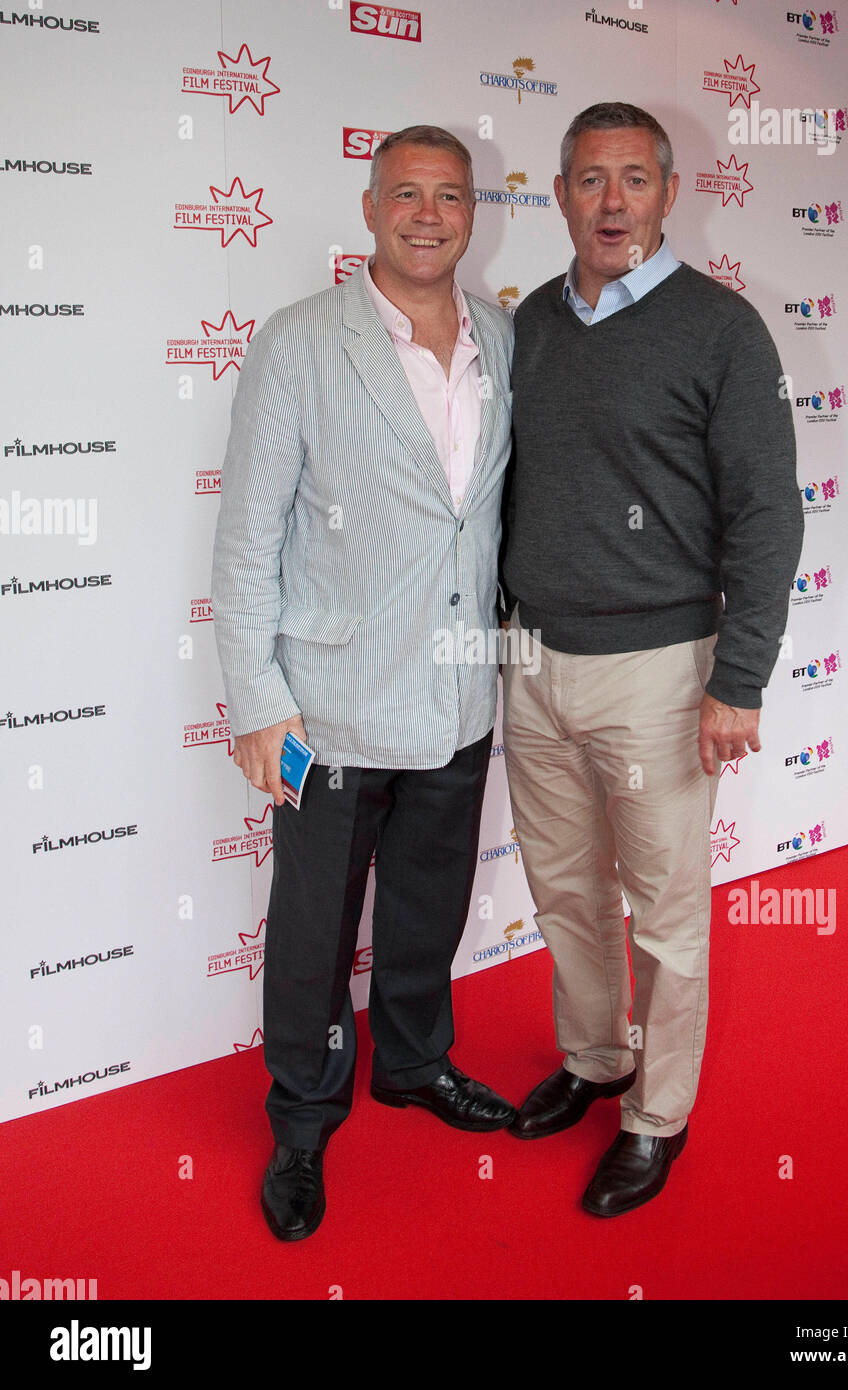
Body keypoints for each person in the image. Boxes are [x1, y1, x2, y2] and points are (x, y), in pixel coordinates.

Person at [212, 126, 517, 1243]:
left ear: (472, 211)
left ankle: (415, 1063)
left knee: (430, 906)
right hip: (328, 705)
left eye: (449, 195)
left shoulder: (501, 336)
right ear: (371, 203)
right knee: (311, 925)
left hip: (457, 696)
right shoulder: (299, 343)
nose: (427, 214)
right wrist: (255, 698)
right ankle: (301, 1112)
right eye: (406, 194)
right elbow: (247, 537)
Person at [501, 103, 803, 1216]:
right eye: (590, 179)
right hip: (534, 663)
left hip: (664, 672)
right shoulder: (529, 322)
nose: (612, 200)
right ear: (562, 195)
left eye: (634, 178)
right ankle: (595, 1060)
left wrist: (741, 675)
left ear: (670, 194)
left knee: (667, 917)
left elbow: (768, 513)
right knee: (568, 892)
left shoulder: (723, 330)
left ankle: (657, 1115)